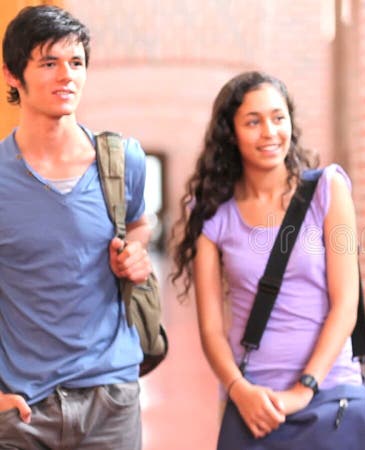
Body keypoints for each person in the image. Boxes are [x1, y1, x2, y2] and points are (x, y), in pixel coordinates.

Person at [172, 71, 365, 449]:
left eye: (278, 118)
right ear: (231, 133)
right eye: (253, 121)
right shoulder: (213, 213)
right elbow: (211, 329)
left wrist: (304, 388)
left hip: (331, 396)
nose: (269, 131)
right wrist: (239, 389)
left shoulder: (327, 191)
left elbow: (346, 304)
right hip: (253, 404)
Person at [0, 5, 152, 449]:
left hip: (111, 400)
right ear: (12, 75)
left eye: (76, 62)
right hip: (24, 411)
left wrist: (136, 254)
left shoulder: (122, 162)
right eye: (49, 62)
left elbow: (140, 222)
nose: (66, 75)